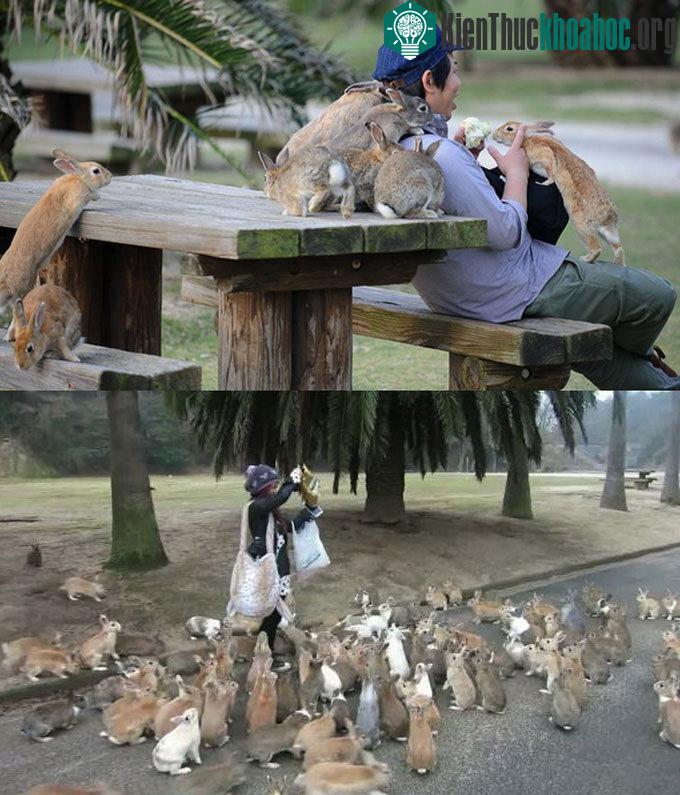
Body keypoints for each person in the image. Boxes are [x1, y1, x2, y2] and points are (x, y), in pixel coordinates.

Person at [369, 27, 679, 389]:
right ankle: (644, 356)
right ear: (428, 81)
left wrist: (472, 167)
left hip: (459, 297)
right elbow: (504, 232)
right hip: (516, 290)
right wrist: (516, 174)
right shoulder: (444, 156)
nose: (458, 81)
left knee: (601, 354)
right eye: (453, 70)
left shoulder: (395, 149)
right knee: (659, 297)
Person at [243, 463, 317, 663]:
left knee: (273, 615)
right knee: (272, 614)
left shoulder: (271, 511)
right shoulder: (257, 507)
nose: (275, 489)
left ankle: (264, 649)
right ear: (263, 488)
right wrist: (291, 482)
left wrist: (310, 509)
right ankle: (264, 655)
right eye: (273, 485)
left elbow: (290, 526)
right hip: (268, 571)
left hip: (279, 571)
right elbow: (280, 498)